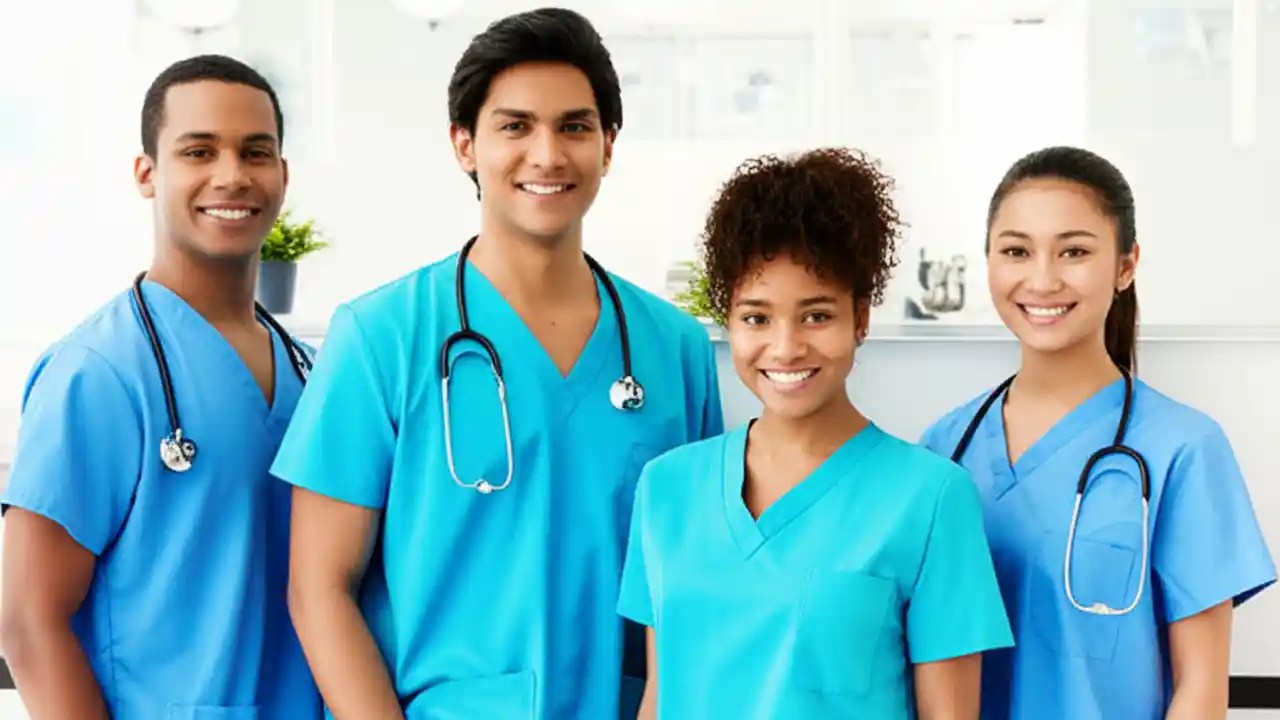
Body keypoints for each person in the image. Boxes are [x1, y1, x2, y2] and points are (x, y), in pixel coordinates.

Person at [270, 8, 723, 720]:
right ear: (464, 144)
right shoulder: (381, 337)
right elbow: (318, 587)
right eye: (515, 126)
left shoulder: (674, 350)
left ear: (608, 145)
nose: (547, 154)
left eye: (575, 126)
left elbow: (693, 581)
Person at [617, 148, 1015, 719]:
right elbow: (660, 697)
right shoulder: (667, 488)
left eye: (816, 315)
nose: (785, 347)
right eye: (756, 317)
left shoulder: (930, 498)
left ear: (861, 318)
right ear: (727, 319)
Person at [0, 54, 321, 720]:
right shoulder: (97, 372)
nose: (231, 175)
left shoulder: (308, 372)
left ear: (282, 175)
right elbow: (27, 622)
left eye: (255, 152)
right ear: (148, 174)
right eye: (199, 150)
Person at [920, 145, 1277, 720]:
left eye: (1074, 252)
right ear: (988, 262)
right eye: (1016, 251)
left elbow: (1202, 693)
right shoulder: (943, 448)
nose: (1042, 278)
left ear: (1126, 265)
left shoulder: (1181, 449)